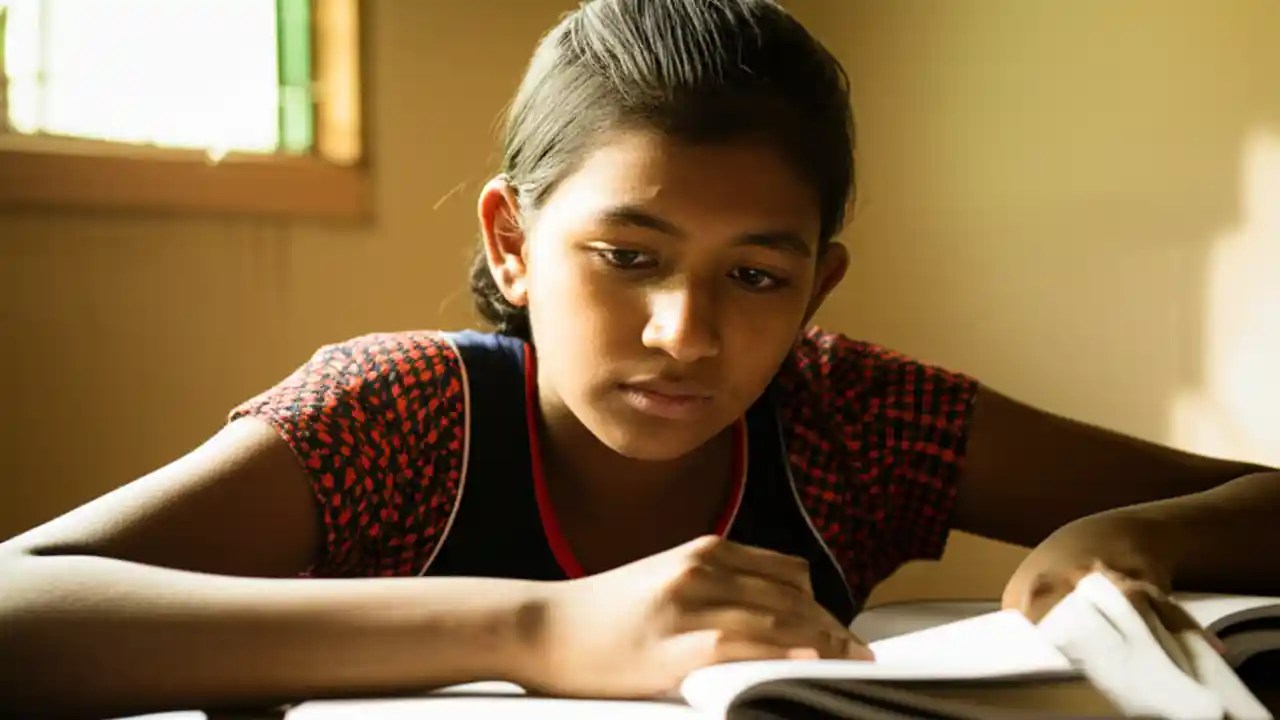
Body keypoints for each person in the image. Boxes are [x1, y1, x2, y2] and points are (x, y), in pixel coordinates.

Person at [1, 0, 1277, 716]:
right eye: (625, 256)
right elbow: (22, 607)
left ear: (816, 286)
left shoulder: (852, 417)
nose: (687, 332)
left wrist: (1149, 539)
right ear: (512, 241)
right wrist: (538, 629)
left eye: (756, 277)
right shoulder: (397, 415)